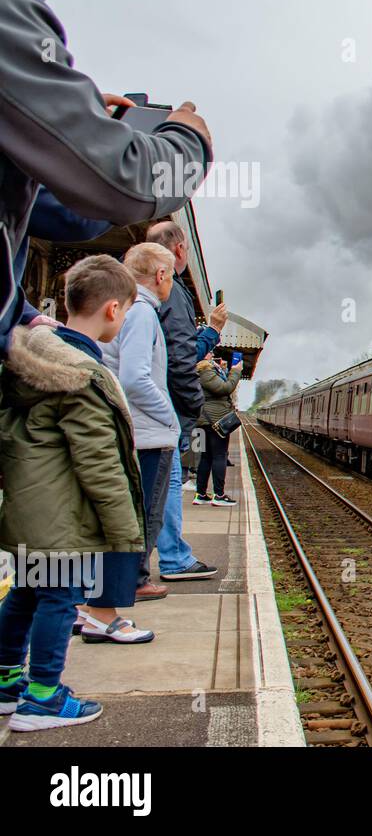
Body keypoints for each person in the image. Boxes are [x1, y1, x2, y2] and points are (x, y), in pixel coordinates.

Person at [0, 0, 213, 354]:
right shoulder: (8, 11)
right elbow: (124, 179)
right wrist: (188, 138)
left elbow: (66, 215)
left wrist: (71, 124)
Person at [0, 255, 148, 729]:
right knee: (60, 600)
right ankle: (43, 697)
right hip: (61, 515)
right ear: (111, 310)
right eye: (125, 311)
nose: (122, 319)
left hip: (28, 506)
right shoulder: (83, 375)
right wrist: (125, 531)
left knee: (25, 593)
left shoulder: (33, 356)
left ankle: (5, 684)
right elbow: (99, 461)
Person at [143, 220, 222, 581]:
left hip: (152, 407)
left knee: (152, 484)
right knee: (167, 482)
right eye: (186, 249)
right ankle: (172, 560)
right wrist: (189, 407)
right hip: (165, 408)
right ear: (178, 250)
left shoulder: (142, 296)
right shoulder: (171, 292)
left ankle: (140, 567)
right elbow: (181, 356)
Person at [101, 243, 180, 600]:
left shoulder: (125, 310)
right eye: (172, 277)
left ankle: (120, 585)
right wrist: (170, 419)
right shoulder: (143, 313)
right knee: (146, 513)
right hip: (147, 435)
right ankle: (133, 582)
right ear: (161, 275)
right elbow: (134, 378)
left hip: (134, 429)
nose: (172, 286)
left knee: (133, 512)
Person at [195, 351, 242, 506]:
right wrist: (235, 371)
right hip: (215, 422)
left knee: (205, 457)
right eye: (210, 352)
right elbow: (224, 389)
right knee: (219, 456)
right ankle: (219, 495)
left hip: (202, 422)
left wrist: (221, 370)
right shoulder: (204, 370)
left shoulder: (203, 371)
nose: (212, 354)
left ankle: (201, 494)